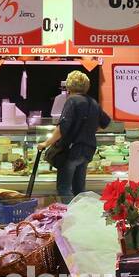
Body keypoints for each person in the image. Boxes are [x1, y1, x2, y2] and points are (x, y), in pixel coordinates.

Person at [40, 71, 110, 202]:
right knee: (79, 189)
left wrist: (45, 143)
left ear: (68, 85)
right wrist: (89, 131)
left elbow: (62, 128)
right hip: (88, 151)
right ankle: (79, 215)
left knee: (64, 188)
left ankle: (69, 216)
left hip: (71, 151)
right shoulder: (93, 102)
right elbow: (106, 122)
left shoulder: (72, 101)